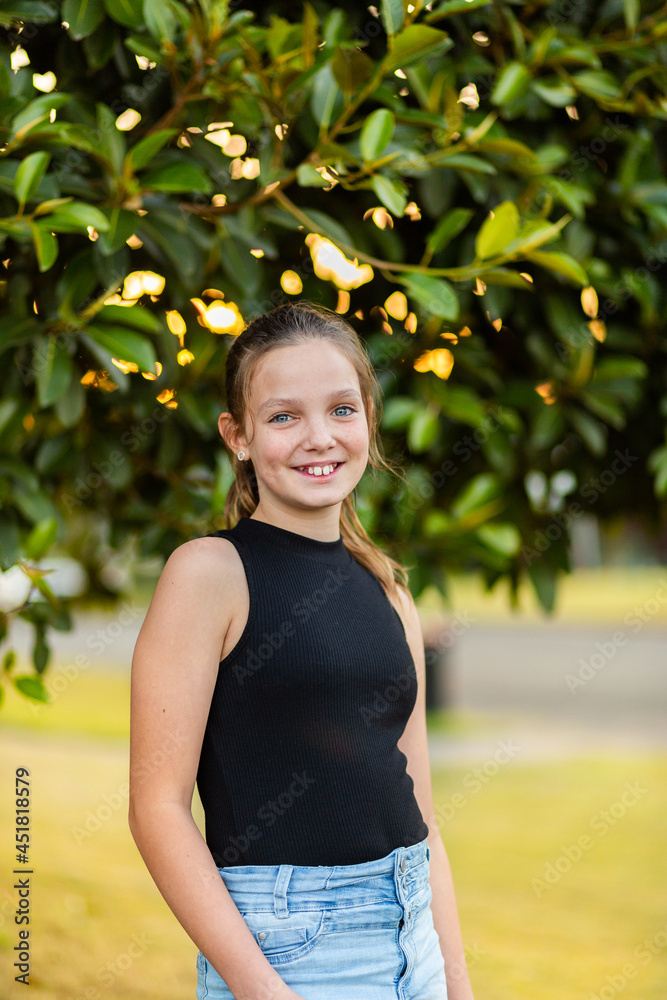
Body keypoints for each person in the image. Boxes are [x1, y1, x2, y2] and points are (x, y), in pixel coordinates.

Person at [129, 301, 475, 1000]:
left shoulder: (388, 590)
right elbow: (156, 809)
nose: (319, 437)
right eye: (284, 416)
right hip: (297, 953)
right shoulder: (209, 574)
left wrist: (455, 984)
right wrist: (265, 990)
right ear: (238, 436)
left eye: (341, 410)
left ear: (369, 421)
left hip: (413, 936)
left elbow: (424, 818)